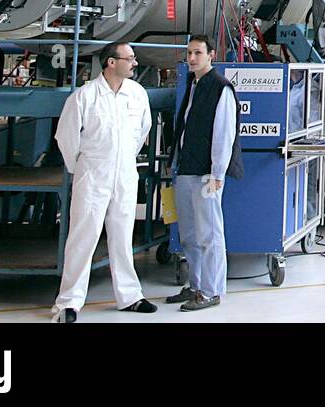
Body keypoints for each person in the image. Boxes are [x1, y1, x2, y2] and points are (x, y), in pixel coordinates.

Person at [51, 42, 157, 323]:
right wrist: (83, 167)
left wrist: (121, 159)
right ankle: (68, 303)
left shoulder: (137, 95)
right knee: (82, 237)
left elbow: (142, 130)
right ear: (111, 62)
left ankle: (130, 296)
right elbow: (67, 138)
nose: (134, 63)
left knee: (123, 236)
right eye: (129, 58)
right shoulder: (84, 97)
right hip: (93, 174)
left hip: (124, 173)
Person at [166, 34, 241, 312]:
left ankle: (211, 291)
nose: (192, 58)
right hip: (186, 168)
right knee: (189, 233)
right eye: (189, 53)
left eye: (198, 53)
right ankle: (196, 285)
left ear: (211, 55)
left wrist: (217, 173)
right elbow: (184, 126)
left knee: (209, 233)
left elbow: (224, 134)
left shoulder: (220, 88)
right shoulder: (193, 84)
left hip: (206, 174)